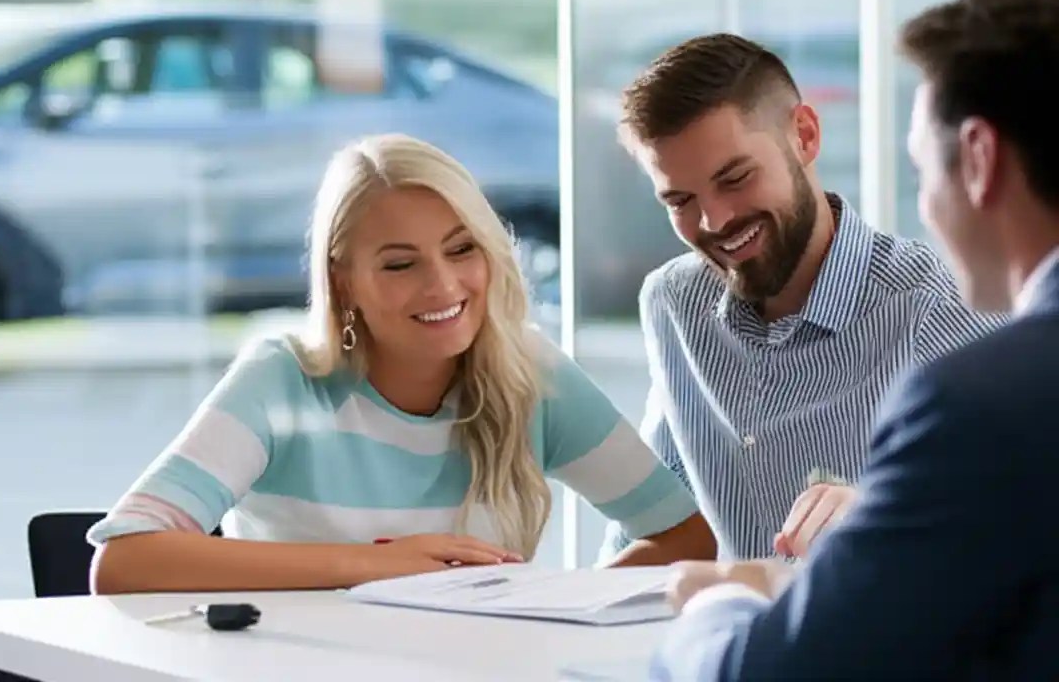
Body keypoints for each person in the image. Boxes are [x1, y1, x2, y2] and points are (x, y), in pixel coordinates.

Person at [88, 133, 716, 593]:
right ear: (344, 282)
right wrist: (371, 564)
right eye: (399, 264)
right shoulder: (284, 379)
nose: (442, 286)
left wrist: (555, 606)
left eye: (460, 249)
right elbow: (124, 561)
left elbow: (688, 537)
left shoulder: (532, 375)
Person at [651, 0, 1059, 679]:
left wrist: (717, 606)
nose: (926, 207)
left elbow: (767, 674)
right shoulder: (675, 304)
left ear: (981, 161)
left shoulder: (981, 396)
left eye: (920, 169)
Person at [603, 29, 1004, 562]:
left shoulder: (940, 309)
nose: (714, 221)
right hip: (743, 636)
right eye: (679, 200)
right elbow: (661, 521)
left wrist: (885, 515)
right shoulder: (673, 303)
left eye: (736, 177)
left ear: (805, 136)